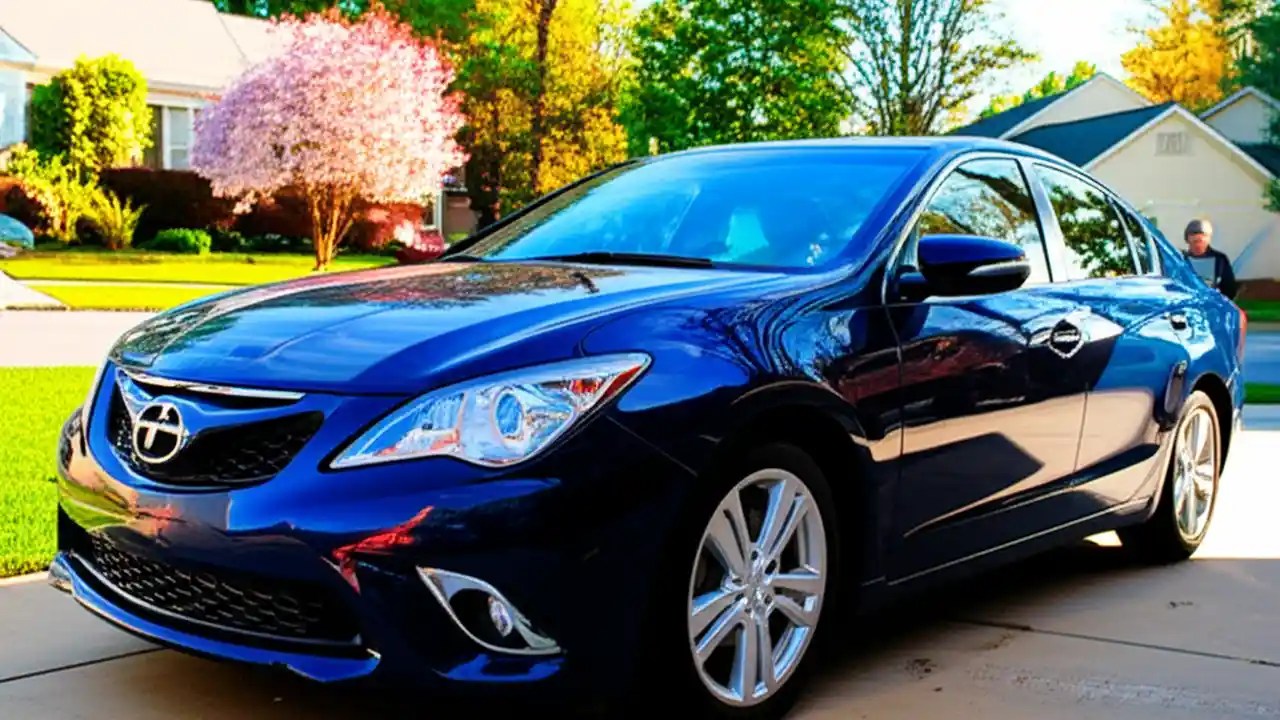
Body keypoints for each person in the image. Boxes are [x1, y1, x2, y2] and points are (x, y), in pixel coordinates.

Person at [1183, 218, 1238, 299]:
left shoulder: (1220, 259)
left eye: (1201, 241)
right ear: (1187, 240)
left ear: (1208, 239)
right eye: (1195, 241)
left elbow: (1229, 288)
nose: (1198, 245)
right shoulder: (1181, 260)